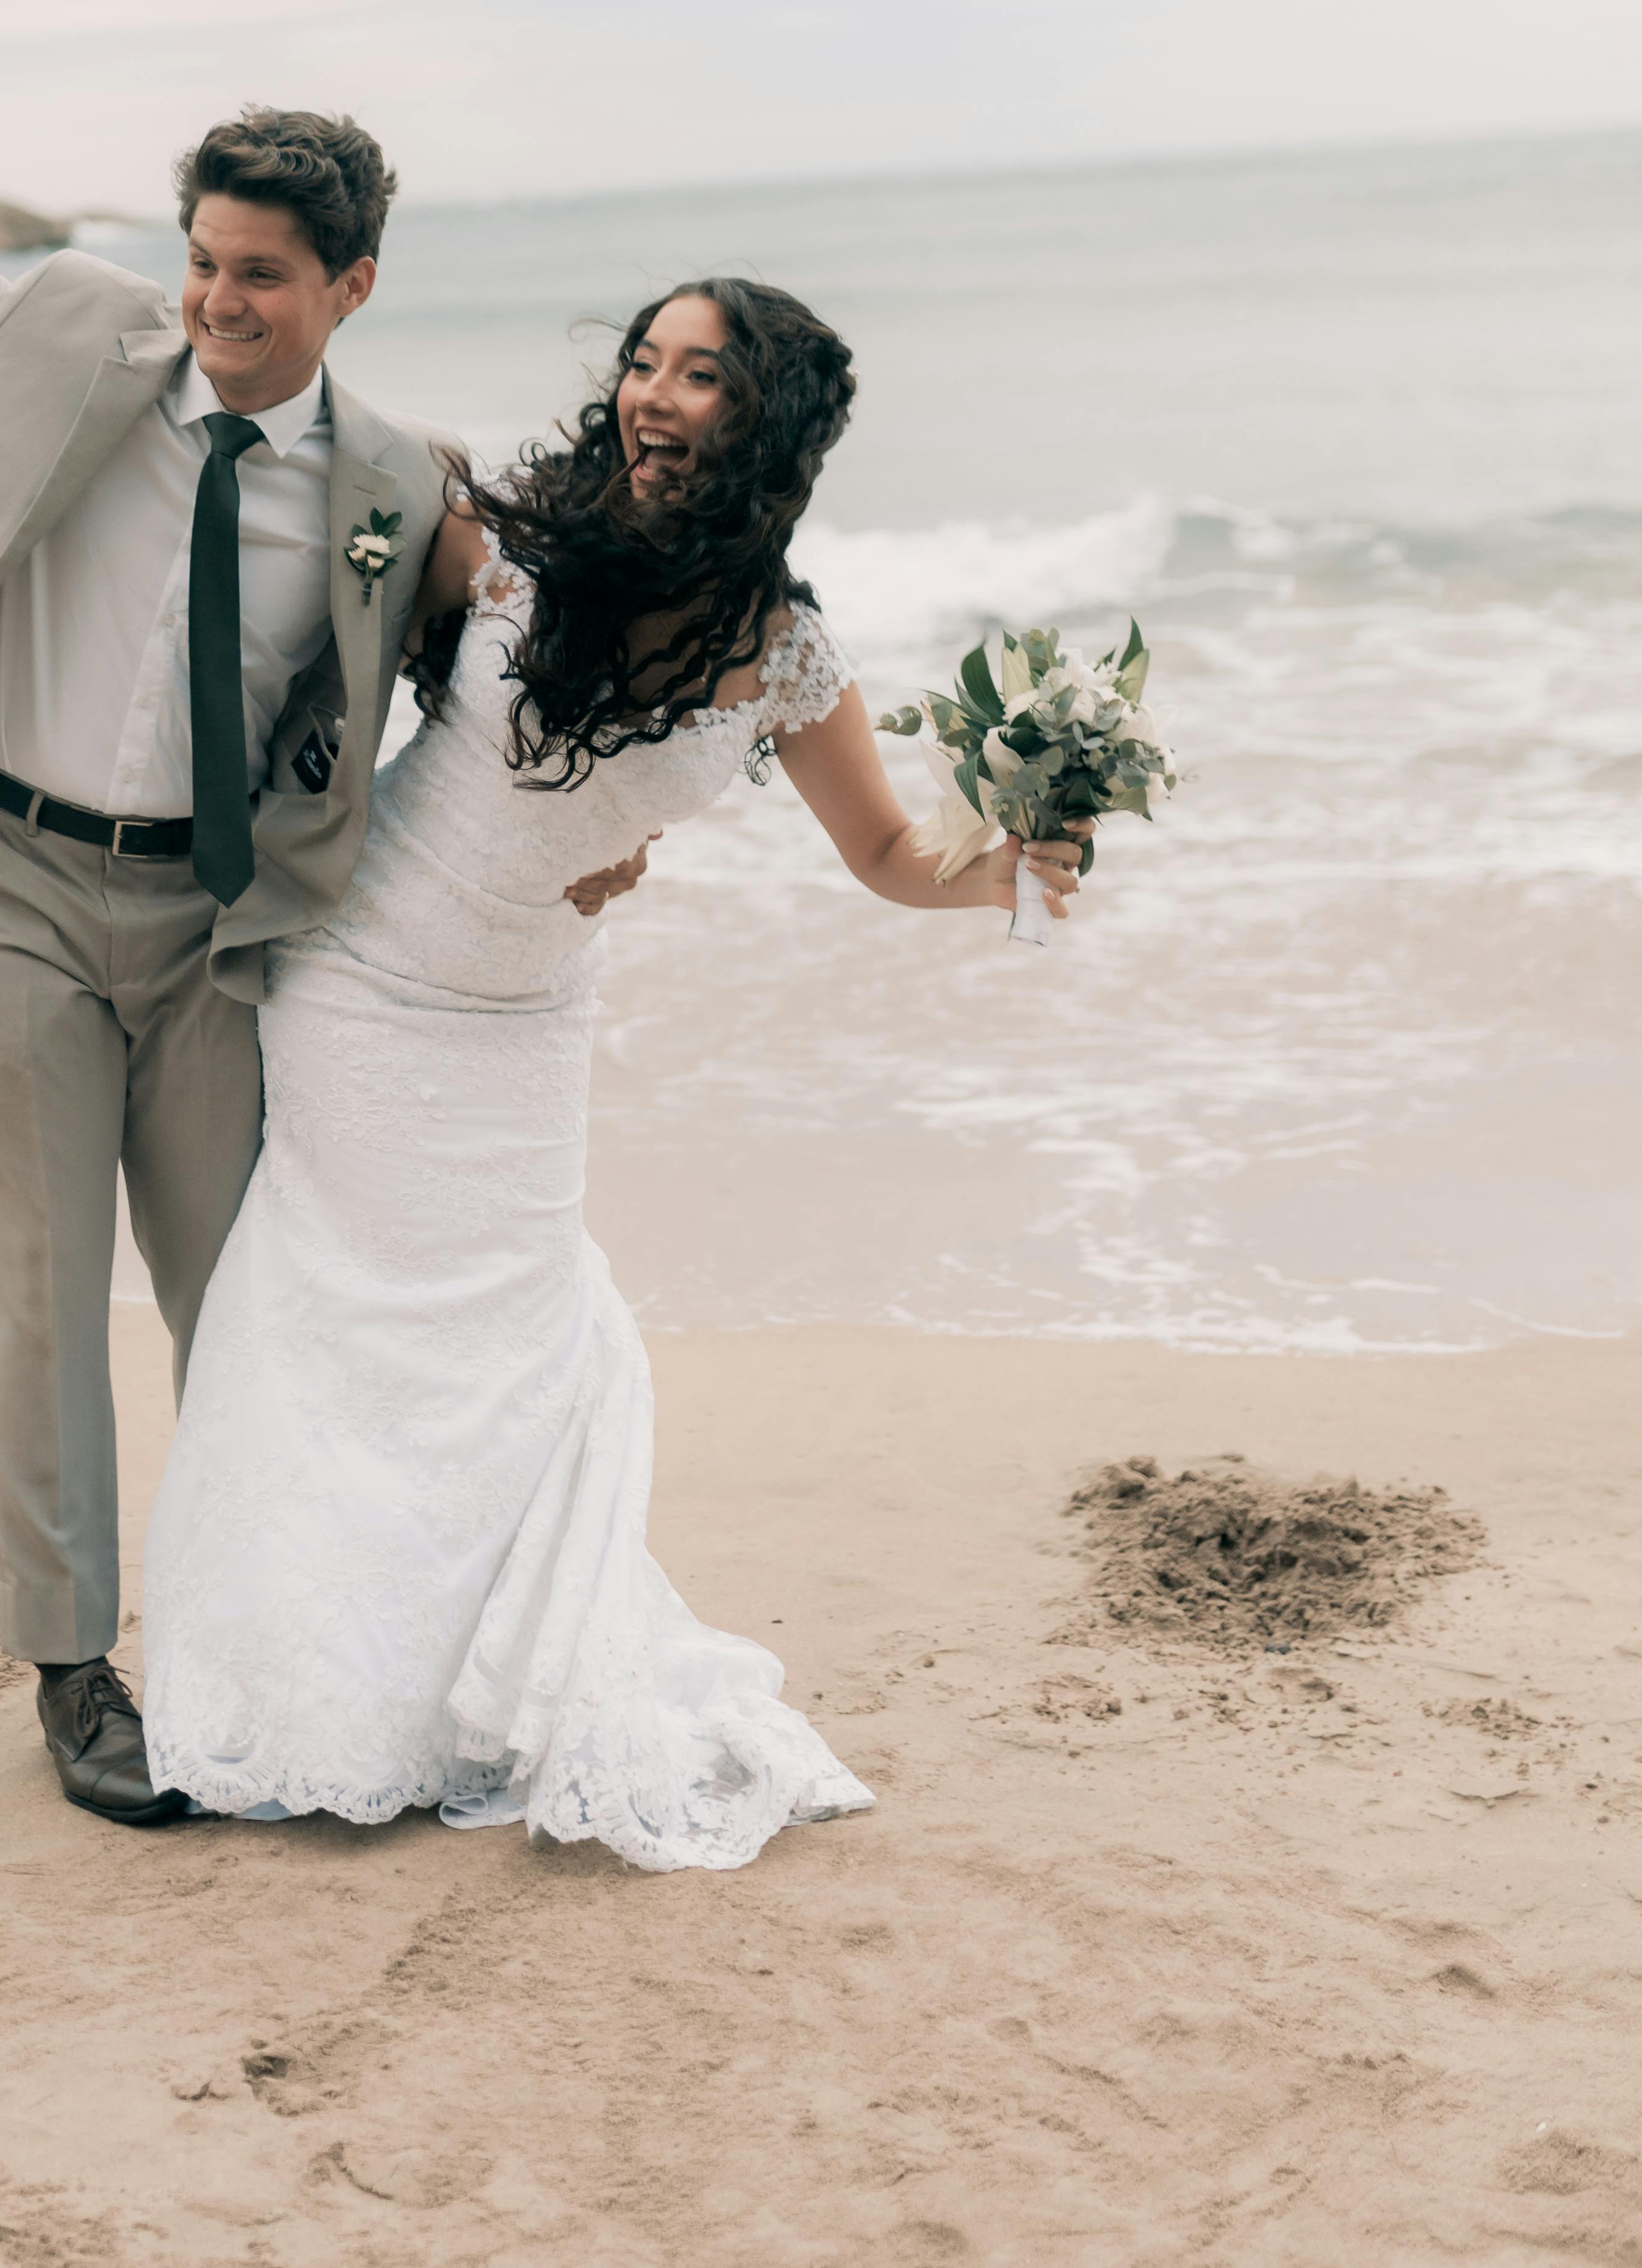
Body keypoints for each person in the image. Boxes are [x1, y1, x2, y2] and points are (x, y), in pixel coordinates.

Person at [0, 0, 647, 1826]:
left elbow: (519, 694)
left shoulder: (395, 489)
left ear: (352, 284)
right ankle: (76, 1670)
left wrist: (596, 846)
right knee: (45, 1273)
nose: (220, 303)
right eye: (205, 261)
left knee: (252, 1295)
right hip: (4, 875)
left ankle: (275, 1635)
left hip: (226, 930)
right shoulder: (62, 325)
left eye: (265, 277)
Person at [140, 277, 1089, 1872]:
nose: (653, 392)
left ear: (764, 421)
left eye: (699, 375)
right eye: (644, 362)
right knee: (346, 1334)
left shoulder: (785, 649)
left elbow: (882, 850)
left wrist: (1021, 861)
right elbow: (305, 669)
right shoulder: (496, 535)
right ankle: (316, 1682)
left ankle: (461, 1690)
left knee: (510, 1351)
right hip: (365, 988)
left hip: (526, 1029)